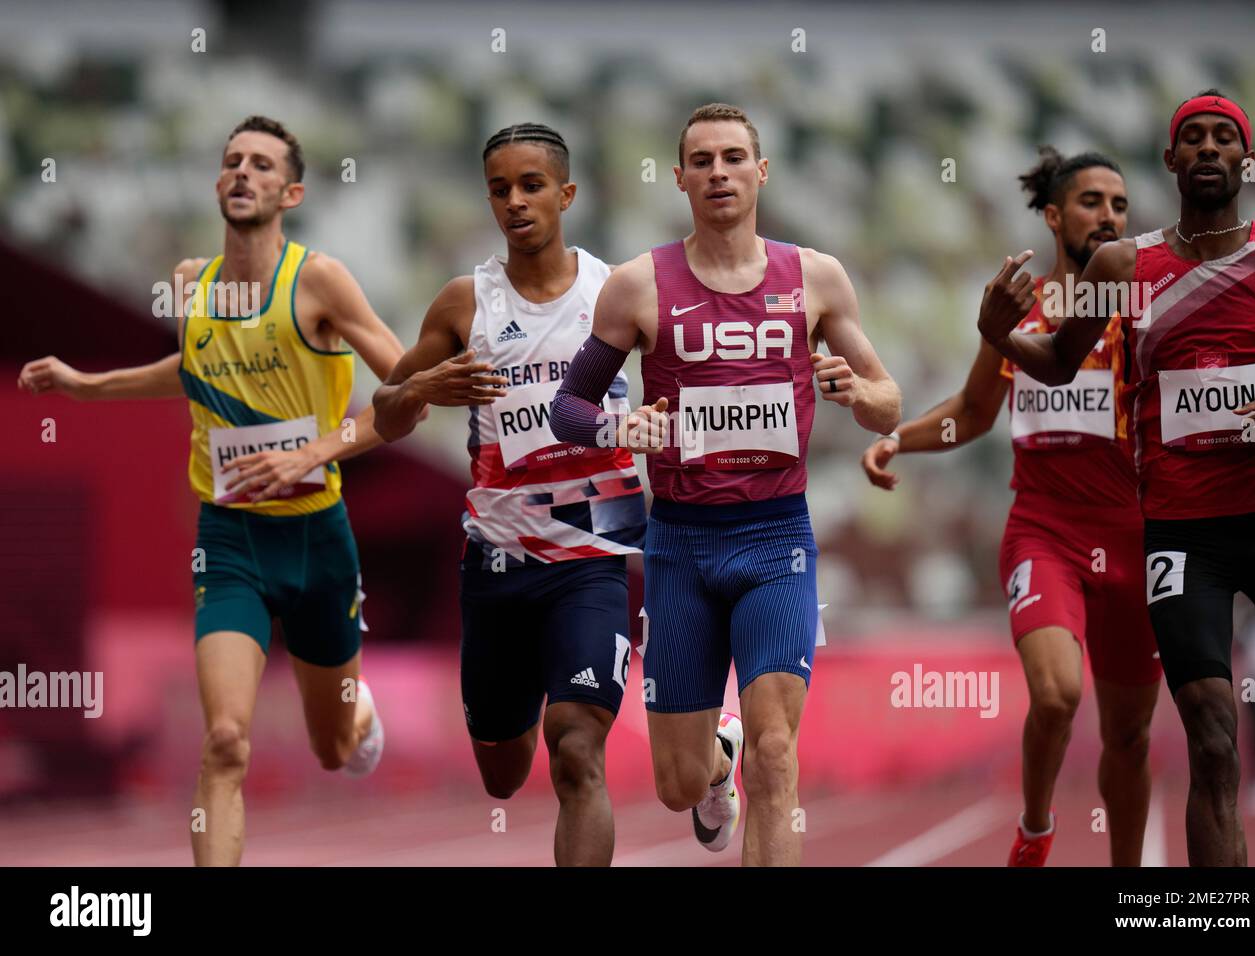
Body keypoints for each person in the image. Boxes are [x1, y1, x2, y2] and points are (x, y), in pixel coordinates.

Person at [18, 115, 406, 866]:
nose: (242, 172)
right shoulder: (192, 284)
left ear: (289, 191)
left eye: (262, 165)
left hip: (317, 539)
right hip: (230, 543)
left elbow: (409, 392)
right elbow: (192, 371)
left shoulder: (318, 280)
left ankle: (358, 722)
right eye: (232, 161)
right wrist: (86, 386)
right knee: (226, 740)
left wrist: (316, 452)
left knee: (335, 748)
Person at [550, 103, 901, 866]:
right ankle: (717, 761)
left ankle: (747, 752)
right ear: (679, 178)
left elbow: (888, 404)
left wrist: (852, 390)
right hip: (678, 544)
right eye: (702, 161)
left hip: (778, 539)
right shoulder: (638, 286)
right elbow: (567, 406)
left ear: (761, 172)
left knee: (778, 755)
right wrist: (618, 427)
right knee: (677, 783)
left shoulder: (815, 277)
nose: (719, 173)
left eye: (734, 158)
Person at [977, 90, 1255, 866]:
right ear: (1172, 160)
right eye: (1194, 138)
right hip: (1183, 536)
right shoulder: (1126, 266)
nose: (1211, 149)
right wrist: (997, 334)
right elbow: (1055, 362)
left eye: (1226, 138)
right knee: (1213, 736)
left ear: (1245, 160)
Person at [863, 147, 1160, 866]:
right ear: (1054, 216)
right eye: (1093, 202)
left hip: (1136, 540)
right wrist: (897, 440)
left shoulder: (1144, 308)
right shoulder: (1021, 313)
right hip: (1045, 533)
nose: (1111, 217)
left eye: (1121, 205)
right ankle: (1034, 830)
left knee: (1127, 734)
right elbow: (973, 410)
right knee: (1056, 695)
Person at [372, 124, 645, 867]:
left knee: (577, 751)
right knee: (503, 772)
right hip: (497, 566)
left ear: (567, 193)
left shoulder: (617, 291)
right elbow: (389, 414)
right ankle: (514, 701)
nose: (516, 202)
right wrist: (425, 386)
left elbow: (691, 376)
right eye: (500, 189)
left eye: (531, 185)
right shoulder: (465, 303)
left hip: (592, 556)